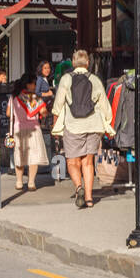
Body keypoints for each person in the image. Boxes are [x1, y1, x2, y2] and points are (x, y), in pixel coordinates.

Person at [51, 49, 114, 208]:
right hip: (93, 125)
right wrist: (108, 124)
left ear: (73, 63)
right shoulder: (95, 79)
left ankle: (79, 187)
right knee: (88, 162)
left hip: (73, 125)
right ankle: (89, 198)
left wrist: (55, 125)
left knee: (72, 161)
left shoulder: (66, 79)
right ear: (87, 63)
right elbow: (104, 105)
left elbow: (58, 105)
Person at [8, 72, 49, 191]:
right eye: (34, 83)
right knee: (33, 156)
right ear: (28, 84)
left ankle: (19, 182)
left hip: (18, 129)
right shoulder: (34, 98)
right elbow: (43, 112)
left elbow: (8, 113)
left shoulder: (14, 97)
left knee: (19, 155)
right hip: (33, 129)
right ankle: (31, 183)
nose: (35, 86)